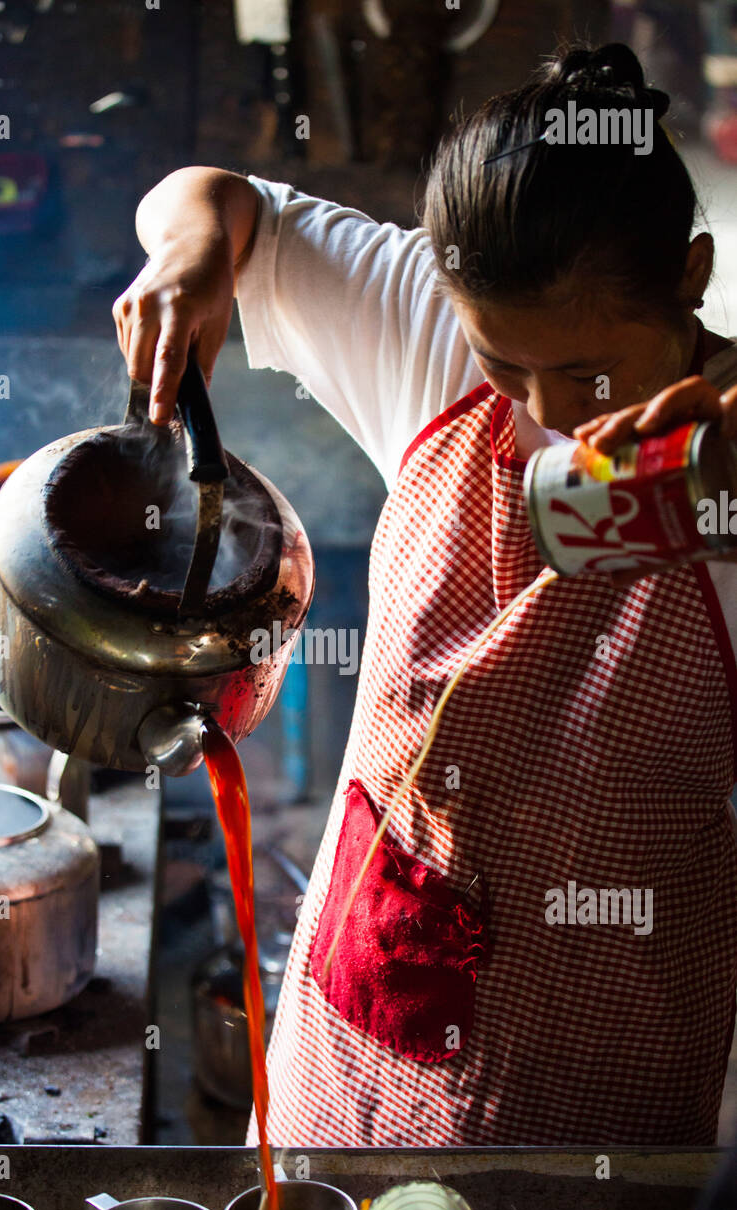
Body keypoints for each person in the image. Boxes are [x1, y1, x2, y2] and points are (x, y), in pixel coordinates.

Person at [115, 42, 737, 1147]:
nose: (546, 410)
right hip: (359, 1038)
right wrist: (192, 255)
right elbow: (211, 197)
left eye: (587, 373)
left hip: (598, 1082)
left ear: (690, 276)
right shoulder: (424, 335)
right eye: (504, 365)